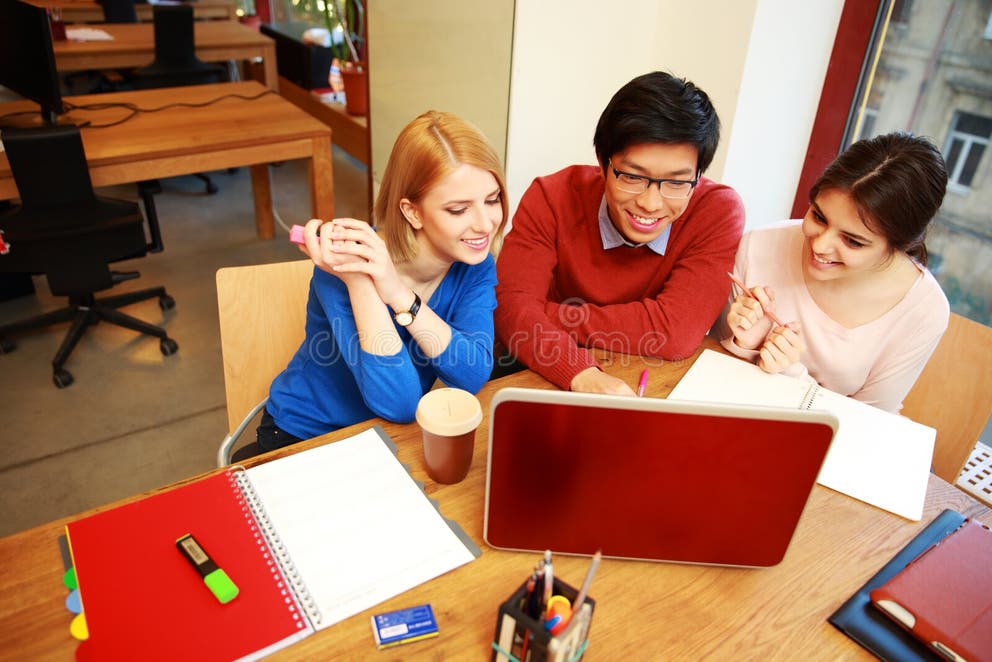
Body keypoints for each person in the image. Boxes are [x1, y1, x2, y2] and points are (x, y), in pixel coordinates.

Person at [258, 110, 507, 451]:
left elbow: (472, 374)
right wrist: (359, 281)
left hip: (385, 440)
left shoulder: (475, 265)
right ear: (412, 212)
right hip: (304, 436)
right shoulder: (344, 264)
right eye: (458, 210)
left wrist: (398, 294)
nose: (485, 224)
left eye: (492, 200)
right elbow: (400, 403)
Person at [494, 71, 745, 394]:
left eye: (676, 182)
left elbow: (676, 332)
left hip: (648, 375)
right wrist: (580, 372)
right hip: (543, 366)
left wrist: (544, 312)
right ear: (603, 163)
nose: (651, 203)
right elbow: (510, 311)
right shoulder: (551, 196)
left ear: (698, 175)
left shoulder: (715, 211)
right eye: (632, 176)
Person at [718, 132, 950, 413]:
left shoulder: (924, 310)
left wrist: (791, 375)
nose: (821, 245)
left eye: (852, 241)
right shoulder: (760, 245)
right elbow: (715, 370)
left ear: (899, 246)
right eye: (818, 216)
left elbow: (866, 424)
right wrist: (746, 345)